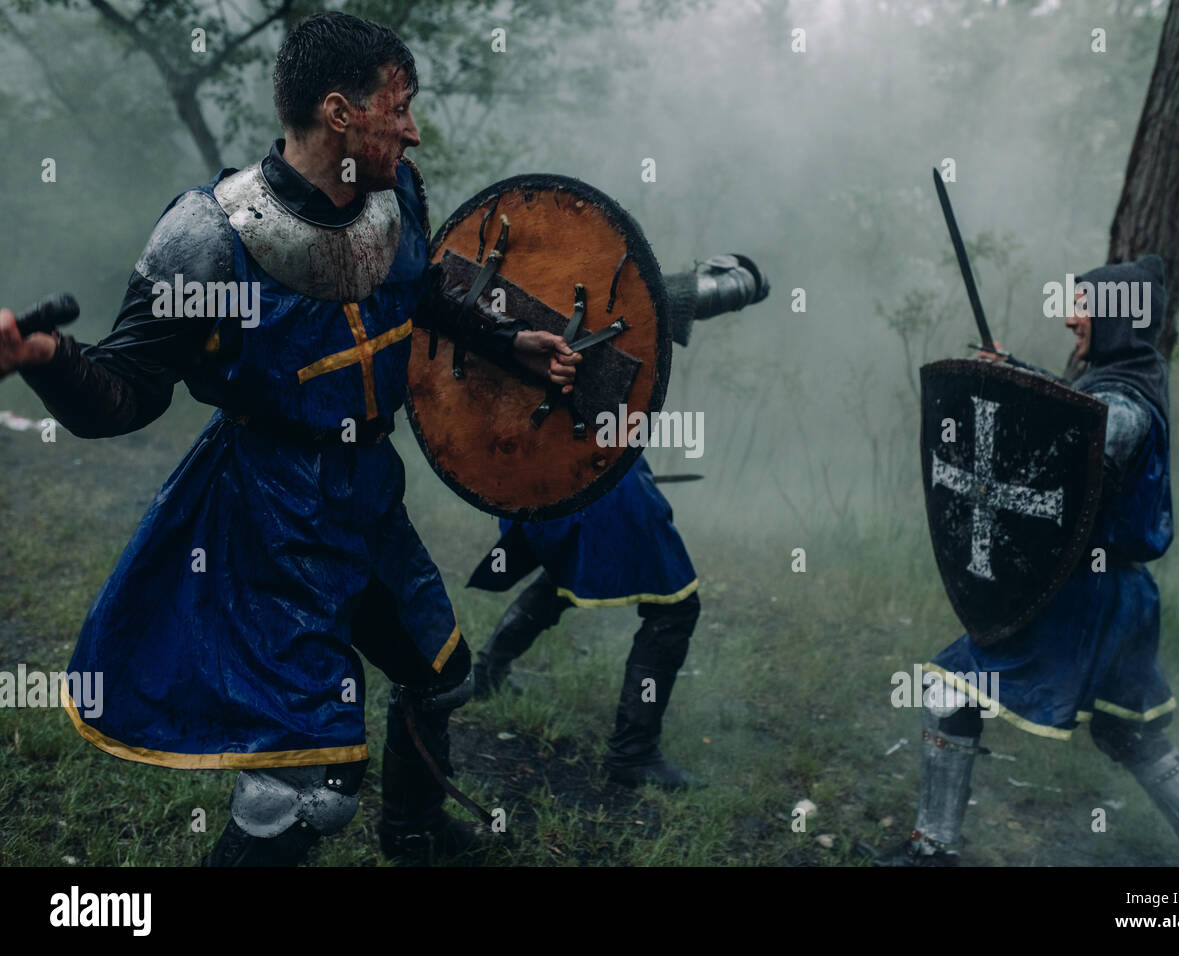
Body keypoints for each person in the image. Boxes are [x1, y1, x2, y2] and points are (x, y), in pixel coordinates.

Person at [0, 12, 580, 866]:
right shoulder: (209, 240)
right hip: (263, 521)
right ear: (341, 114)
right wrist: (43, 356)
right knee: (307, 790)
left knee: (441, 675)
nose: (414, 128)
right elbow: (124, 394)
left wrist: (507, 338)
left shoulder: (397, 195)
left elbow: (421, 292)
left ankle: (415, 832)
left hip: (366, 498)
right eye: (401, 106)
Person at [875, 255, 1179, 866]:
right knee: (1131, 732)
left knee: (948, 691)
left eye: (1086, 308)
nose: (1074, 319)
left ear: (1117, 320)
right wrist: (1012, 372)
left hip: (1080, 595)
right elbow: (1077, 415)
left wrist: (1004, 401)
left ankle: (932, 853)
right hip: (1125, 596)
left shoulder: (1122, 409)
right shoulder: (1130, 381)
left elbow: (1072, 447)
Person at [468, 255, 768, 789]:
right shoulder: (585, 300)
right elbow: (673, 298)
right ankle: (633, 753)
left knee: (566, 569)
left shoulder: (499, 297)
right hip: (589, 466)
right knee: (675, 605)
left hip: (541, 469)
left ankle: (488, 669)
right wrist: (742, 280)